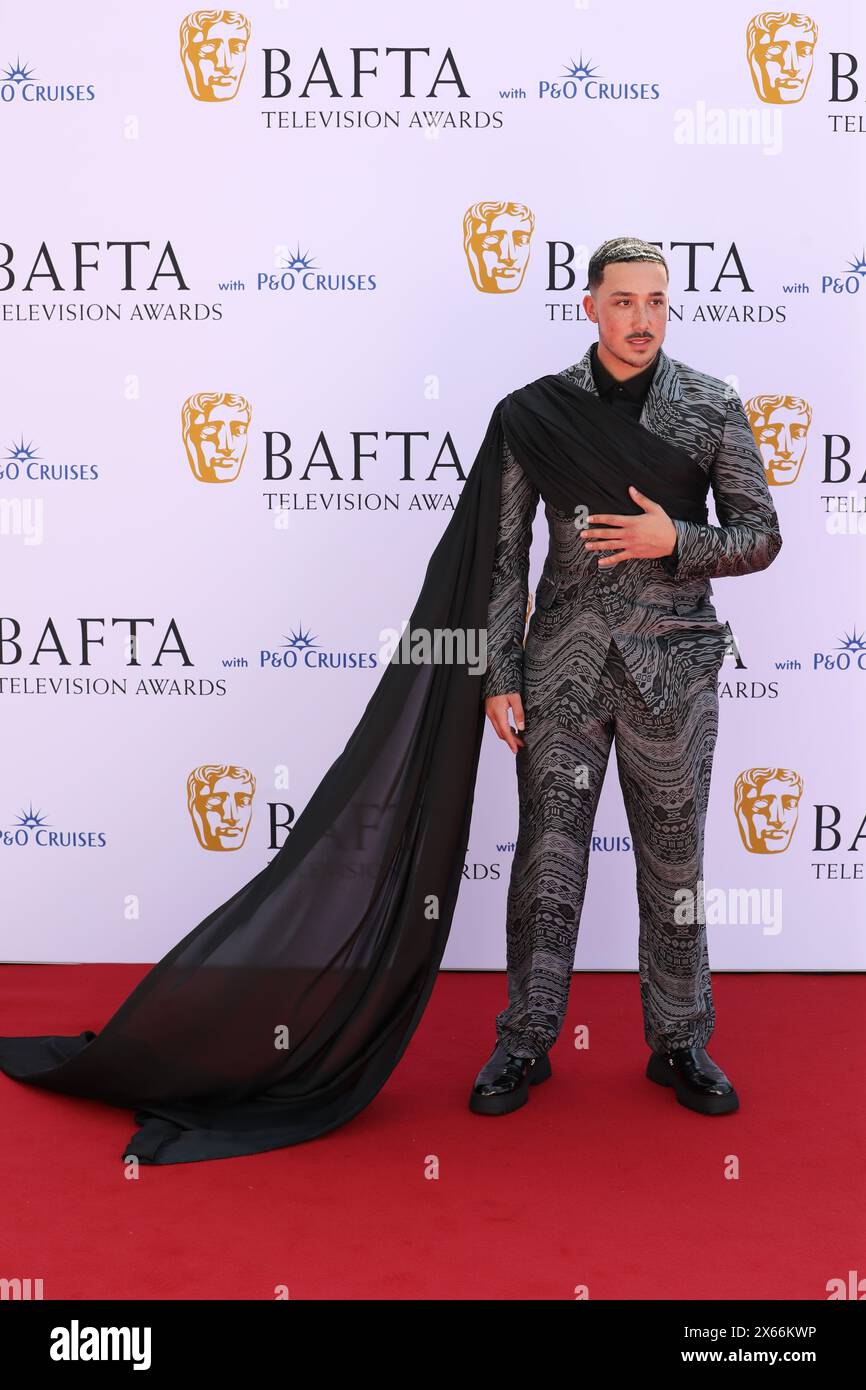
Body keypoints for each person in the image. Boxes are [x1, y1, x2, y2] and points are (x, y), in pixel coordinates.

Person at [471, 235, 783, 1119]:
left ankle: (680, 1042)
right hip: (561, 668)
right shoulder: (531, 413)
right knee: (546, 860)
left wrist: (675, 541)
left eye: (657, 301)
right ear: (590, 306)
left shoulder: (712, 405)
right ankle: (525, 1042)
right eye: (624, 301)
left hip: (674, 670)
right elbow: (502, 560)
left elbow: (761, 534)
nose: (642, 319)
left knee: (675, 863)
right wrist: (500, 670)